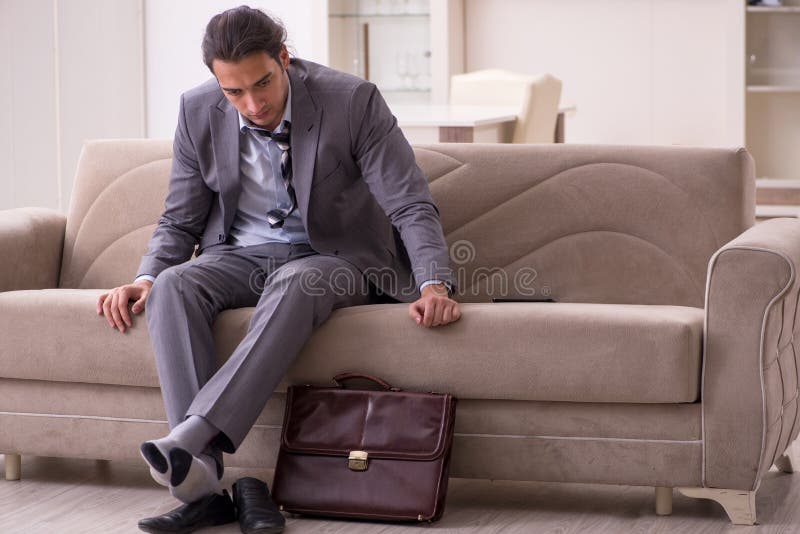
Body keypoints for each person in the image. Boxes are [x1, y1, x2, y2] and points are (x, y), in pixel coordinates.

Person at [95, 5, 460, 534]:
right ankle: (206, 486)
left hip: (335, 260)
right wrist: (147, 276)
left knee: (297, 278)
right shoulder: (197, 111)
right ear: (216, 84)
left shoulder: (352, 101)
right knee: (173, 285)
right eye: (233, 92)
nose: (252, 103)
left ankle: (191, 441)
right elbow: (180, 218)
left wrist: (434, 282)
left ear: (284, 58)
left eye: (262, 84)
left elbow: (409, 203)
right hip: (238, 256)